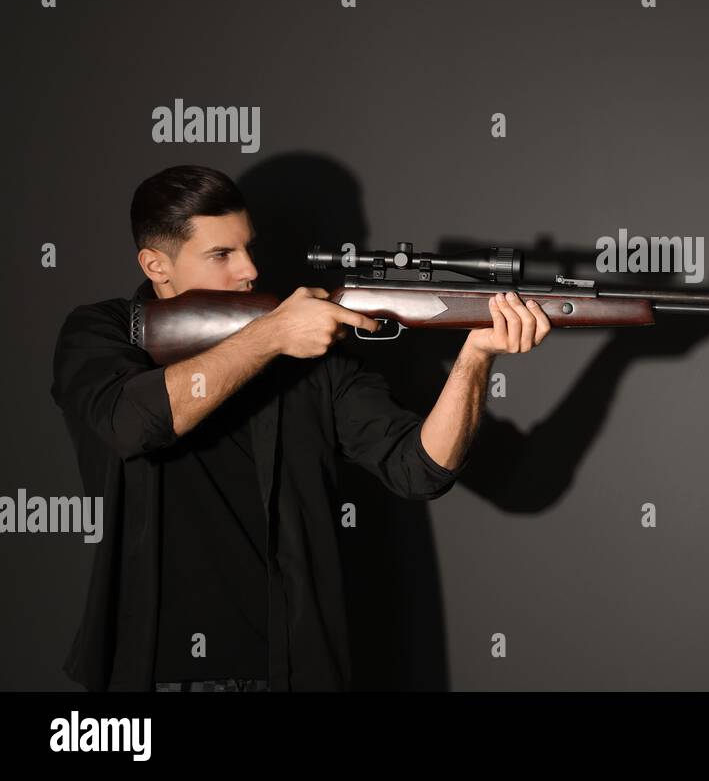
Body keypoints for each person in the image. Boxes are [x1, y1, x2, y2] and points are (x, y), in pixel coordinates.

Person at [49, 165, 551, 691]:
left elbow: (420, 469)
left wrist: (477, 355)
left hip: (289, 671)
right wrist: (271, 336)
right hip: (153, 672)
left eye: (248, 248)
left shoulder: (309, 352)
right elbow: (135, 423)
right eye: (221, 255)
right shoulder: (106, 334)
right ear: (156, 265)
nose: (248, 270)